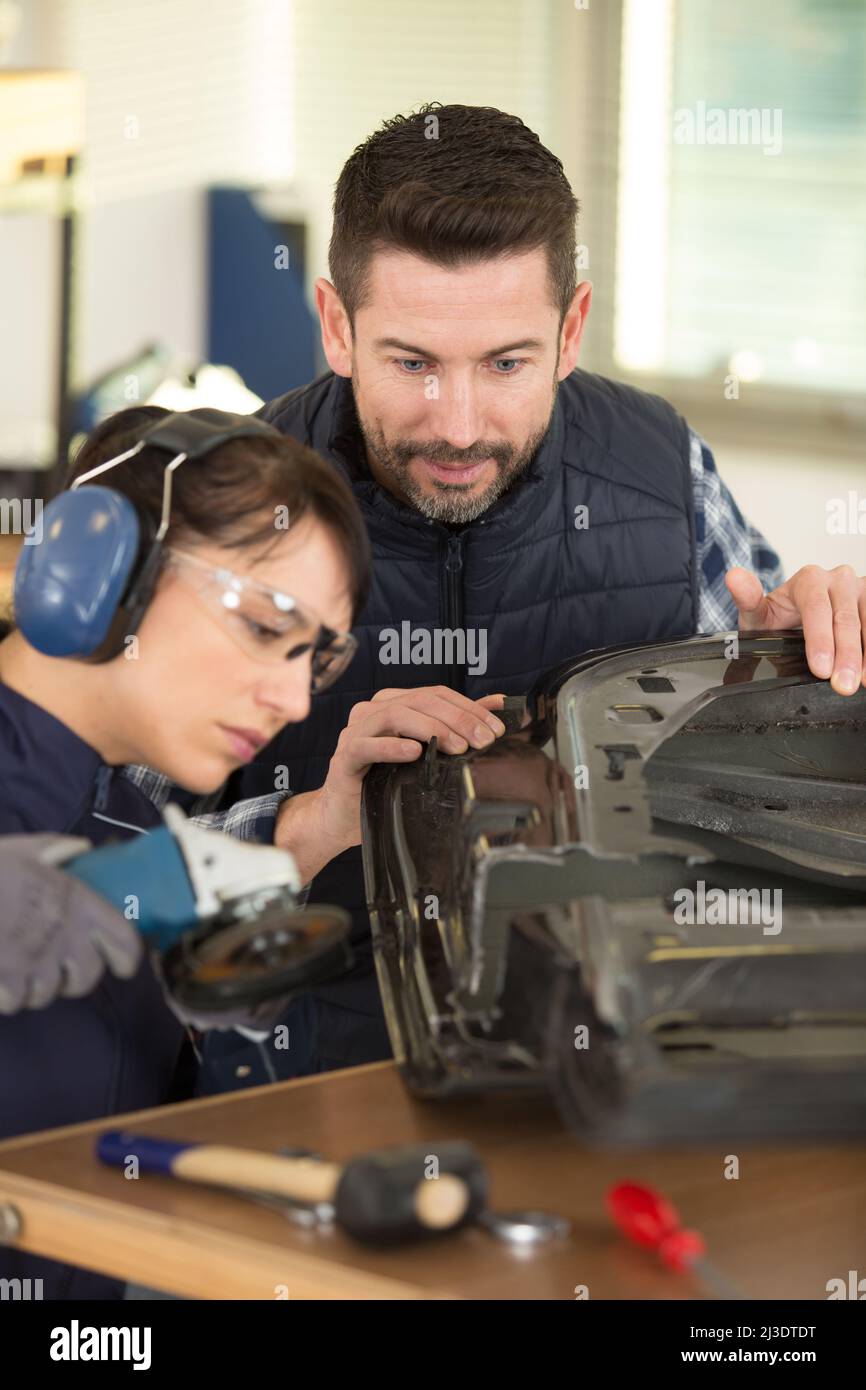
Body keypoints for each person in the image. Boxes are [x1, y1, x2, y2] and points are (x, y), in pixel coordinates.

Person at [146, 102, 866, 1089]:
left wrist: (794, 686)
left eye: (505, 363)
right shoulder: (228, 510)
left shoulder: (662, 473)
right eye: (410, 362)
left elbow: (752, 834)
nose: (456, 424)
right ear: (334, 326)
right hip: (302, 1089)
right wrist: (312, 820)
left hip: (611, 1066)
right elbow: (116, 894)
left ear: (569, 330)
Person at [0, 403, 375, 1297]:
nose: (292, 699)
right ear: (103, 569)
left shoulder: (133, 830)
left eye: (313, 659)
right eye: (262, 626)